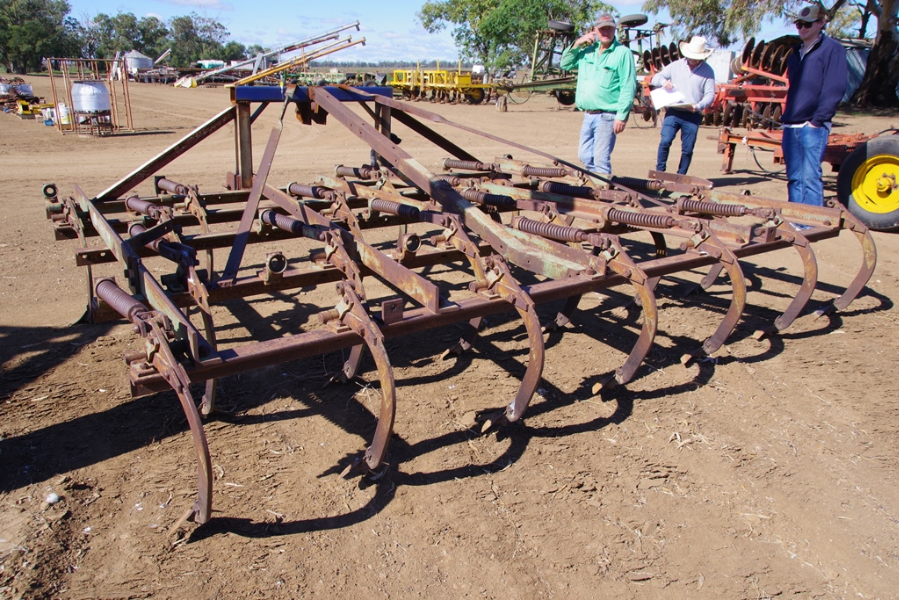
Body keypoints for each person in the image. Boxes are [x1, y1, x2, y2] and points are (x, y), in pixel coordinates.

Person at [781, 3, 847, 206]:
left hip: (812, 126)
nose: (802, 28)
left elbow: (834, 88)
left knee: (810, 177)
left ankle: (812, 223)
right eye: (799, 24)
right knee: (794, 177)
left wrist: (817, 121)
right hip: (791, 124)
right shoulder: (794, 53)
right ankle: (796, 221)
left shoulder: (832, 50)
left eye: (807, 24)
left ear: (821, 23)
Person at [560, 14, 637, 175]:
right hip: (588, 115)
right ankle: (598, 185)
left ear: (615, 29)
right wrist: (578, 42)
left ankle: (603, 194)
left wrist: (622, 116)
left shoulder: (623, 53)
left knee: (601, 159)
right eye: (602, 29)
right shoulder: (587, 51)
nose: (606, 32)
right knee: (585, 155)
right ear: (595, 30)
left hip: (607, 115)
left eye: (609, 28)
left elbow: (628, 85)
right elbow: (565, 63)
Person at [651, 36, 717, 175]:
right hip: (674, 111)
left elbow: (710, 94)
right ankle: (660, 173)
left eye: (696, 57)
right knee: (665, 141)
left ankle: (681, 176)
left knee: (687, 149)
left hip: (692, 114)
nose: (692, 59)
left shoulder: (708, 72)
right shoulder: (676, 66)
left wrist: (698, 106)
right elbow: (656, 77)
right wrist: (664, 82)